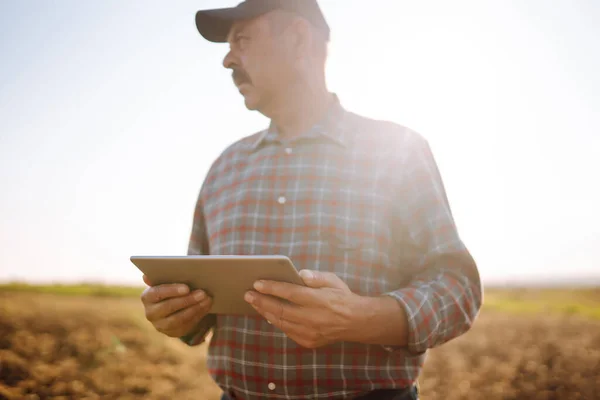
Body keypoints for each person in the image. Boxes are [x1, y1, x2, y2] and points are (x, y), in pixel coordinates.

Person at [140, 1, 483, 399]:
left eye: (242, 40)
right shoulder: (224, 168)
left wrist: (359, 318)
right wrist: (177, 315)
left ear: (299, 40)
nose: (227, 60)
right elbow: (198, 303)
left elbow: (457, 288)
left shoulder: (396, 151)